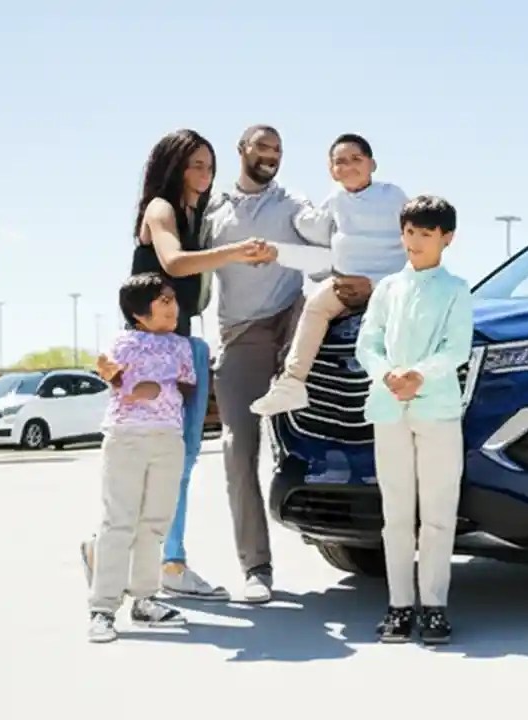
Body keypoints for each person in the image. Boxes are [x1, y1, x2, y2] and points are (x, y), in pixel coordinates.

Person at [80, 129, 274, 602]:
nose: (204, 175)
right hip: (151, 352)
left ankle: (144, 557)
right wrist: (236, 252)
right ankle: (166, 562)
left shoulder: (199, 214)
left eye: (209, 166)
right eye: (195, 165)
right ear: (173, 167)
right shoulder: (161, 209)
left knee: (181, 460)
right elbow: (175, 261)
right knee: (162, 461)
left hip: (184, 347)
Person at [201, 124, 333, 603]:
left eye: (277, 149)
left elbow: (324, 252)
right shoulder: (214, 210)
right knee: (238, 449)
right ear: (242, 151)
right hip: (241, 334)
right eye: (262, 147)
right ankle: (256, 567)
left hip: (294, 320)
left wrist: (281, 252)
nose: (271, 156)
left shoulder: (291, 203)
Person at [354, 195, 473, 644]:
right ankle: (399, 606)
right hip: (388, 408)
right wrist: (388, 375)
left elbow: (456, 348)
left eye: (426, 234)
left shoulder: (456, 289)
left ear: (447, 238)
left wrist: (418, 374)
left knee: (439, 514)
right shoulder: (387, 289)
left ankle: (435, 606)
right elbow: (368, 343)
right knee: (396, 514)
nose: (415, 242)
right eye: (409, 232)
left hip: (437, 409)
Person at [251, 132, 410, 416]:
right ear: (331, 170)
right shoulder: (336, 201)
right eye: (340, 162)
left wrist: (377, 286)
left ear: (372, 164)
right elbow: (311, 226)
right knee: (315, 308)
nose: (348, 166)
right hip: (345, 284)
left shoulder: (393, 195)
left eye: (356, 159)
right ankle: (292, 384)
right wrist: (294, 207)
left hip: (390, 282)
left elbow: (414, 236)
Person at [87, 272, 200, 643]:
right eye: (163, 301)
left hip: (168, 438)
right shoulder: (124, 342)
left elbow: (186, 386)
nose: (173, 308)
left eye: (174, 301)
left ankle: (145, 599)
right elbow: (117, 381)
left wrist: (157, 387)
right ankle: (103, 607)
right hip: (126, 437)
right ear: (139, 313)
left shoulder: (182, 345)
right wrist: (117, 379)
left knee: (154, 522)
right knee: (120, 521)